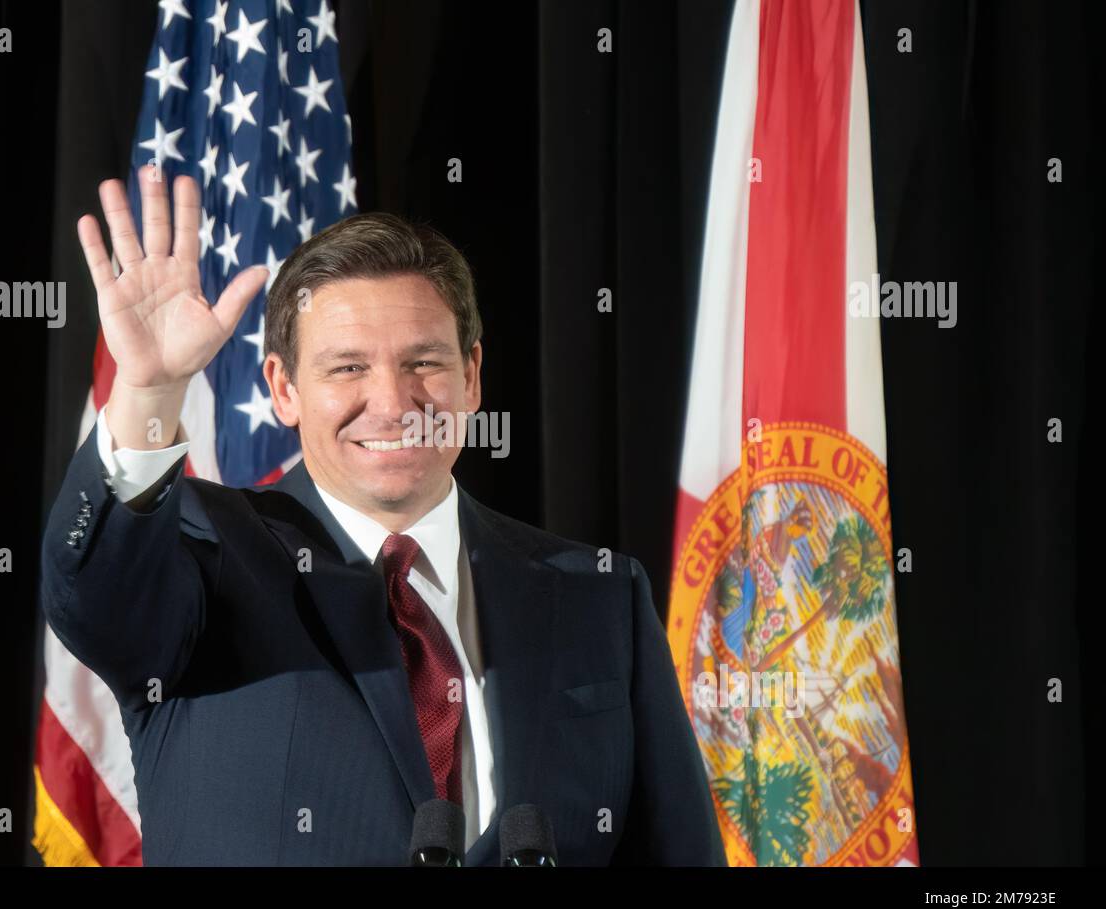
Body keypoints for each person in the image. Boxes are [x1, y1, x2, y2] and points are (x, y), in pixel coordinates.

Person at [41, 163, 726, 865]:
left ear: (472, 377)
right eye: (347, 369)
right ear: (283, 389)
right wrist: (149, 396)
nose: (395, 404)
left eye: (424, 362)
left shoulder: (600, 596)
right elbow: (95, 594)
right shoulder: (200, 554)